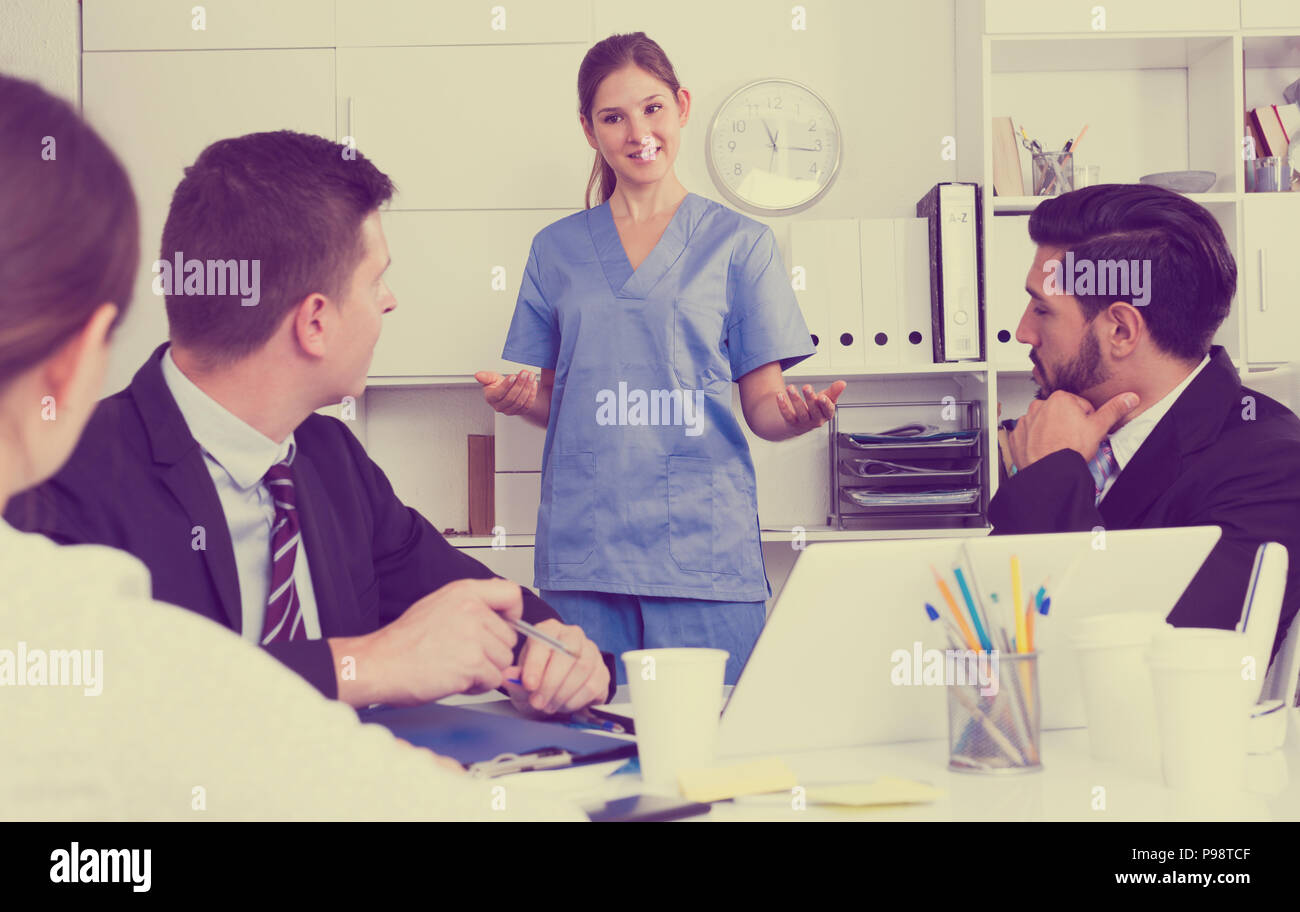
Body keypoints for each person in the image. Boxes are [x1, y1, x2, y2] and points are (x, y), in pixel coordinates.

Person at [0, 72, 583, 820]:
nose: (390, 301)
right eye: (378, 279)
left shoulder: (329, 460)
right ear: (314, 322)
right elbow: (137, 695)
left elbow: (465, 597)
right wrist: (368, 664)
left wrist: (554, 642)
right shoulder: (66, 485)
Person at [474, 32, 846, 684]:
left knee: (720, 750)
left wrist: (798, 416)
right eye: (613, 117)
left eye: (651, 109)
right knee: (586, 746)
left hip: (703, 552)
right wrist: (518, 399)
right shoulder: (556, 251)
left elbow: (762, 407)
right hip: (585, 556)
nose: (637, 131)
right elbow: (565, 401)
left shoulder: (740, 245)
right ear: (589, 130)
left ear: (681, 106)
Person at [991, 183, 1300, 659]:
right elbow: (994, 617)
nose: (1023, 330)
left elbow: (1151, 665)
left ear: (1120, 330)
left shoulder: (1273, 468)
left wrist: (1050, 476)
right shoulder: (1078, 434)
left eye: (1043, 309)